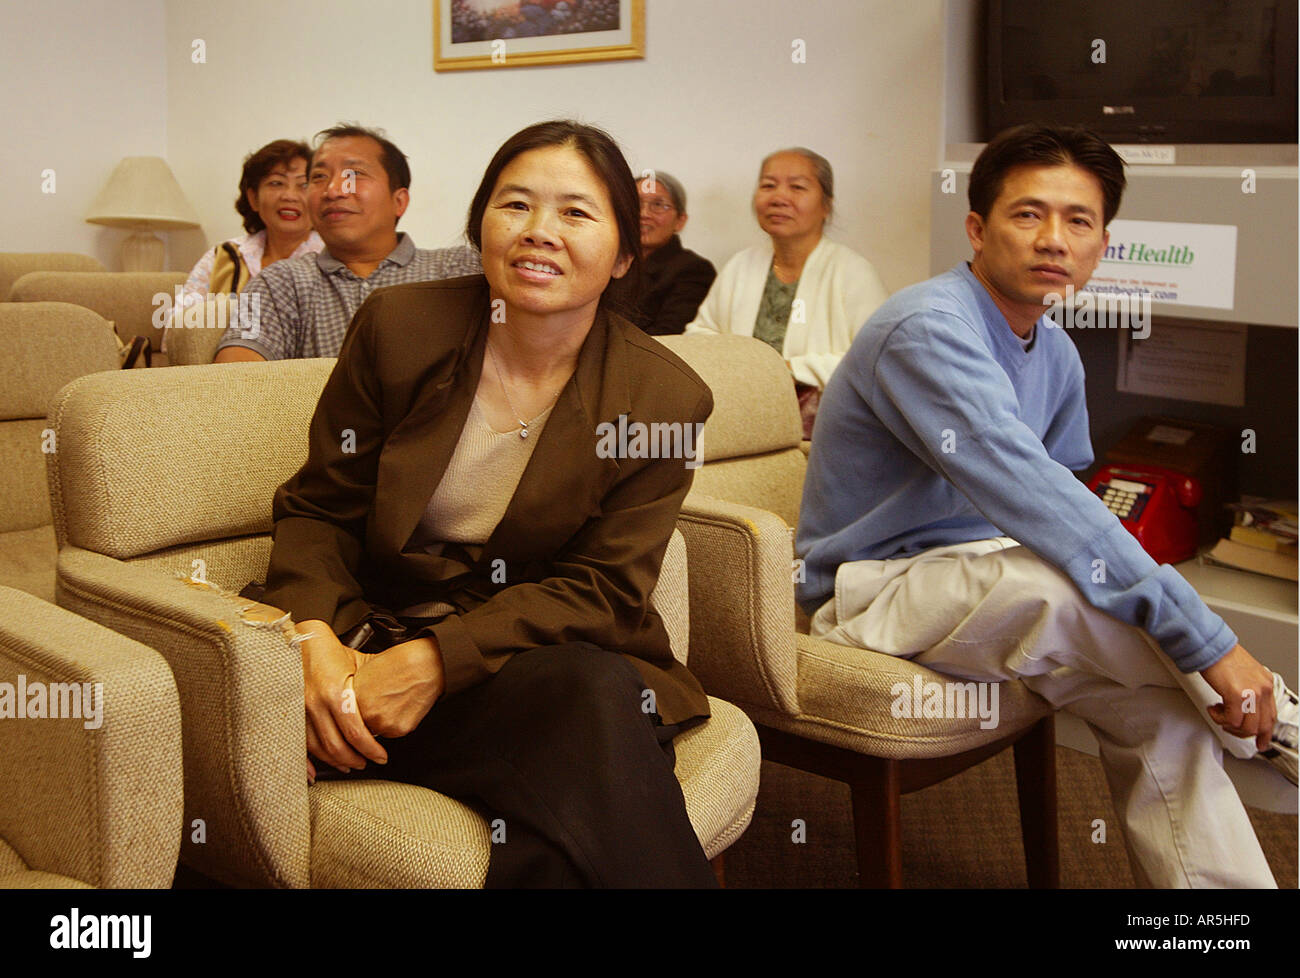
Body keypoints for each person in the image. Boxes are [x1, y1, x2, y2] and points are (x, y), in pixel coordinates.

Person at [796, 123, 1298, 888]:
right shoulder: (927, 327)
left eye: (1079, 221)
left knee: (1162, 716)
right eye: (1028, 214)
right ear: (977, 228)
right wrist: (1212, 646)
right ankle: (1283, 725)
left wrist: (1183, 632)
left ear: (1102, 246)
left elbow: (1064, 504)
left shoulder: (1055, 351)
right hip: (873, 591)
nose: (1053, 239)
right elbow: (1036, 498)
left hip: (990, 583)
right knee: (1063, 591)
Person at [259, 120, 718, 888]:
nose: (540, 233)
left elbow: (604, 588)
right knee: (593, 738)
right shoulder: (400, 330)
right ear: (481, 227)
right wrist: (313, 640)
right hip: (364, 642)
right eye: (516, 206)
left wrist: (438, 663)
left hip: (524, 662)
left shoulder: (665, 397)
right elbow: (319, 510)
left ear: (625, 255)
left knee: (594, 693)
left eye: (576, 213)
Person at [213, 124, 481, 362]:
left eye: (353, 175)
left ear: (398, 201)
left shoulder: (458, 270)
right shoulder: (280, 282)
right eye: (318, 177)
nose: (333, 190)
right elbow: (234, 381)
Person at [686, 147, 888, 435]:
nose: (779, 198)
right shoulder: (741, 265)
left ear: (826, 205)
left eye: (797, 187)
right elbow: (699, 337)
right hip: (737, 425)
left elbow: (876, 363)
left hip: (824, 434)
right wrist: (738, 367)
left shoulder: (852, 272)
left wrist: (787, 369)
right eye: (768, 186)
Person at [171, 139, 323, 353]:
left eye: (304, 185)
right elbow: (175, 329)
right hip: (227, 374)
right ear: (253, 198)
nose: (289, 195)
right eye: (276, 183)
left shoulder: (333, 259)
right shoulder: (223, 256)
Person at [605, 170, 715, 335]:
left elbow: (669, 335)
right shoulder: (609, 260)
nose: (644, 214)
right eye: (636, 204)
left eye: (658, 205)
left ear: (680, 221)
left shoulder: (694, 270)